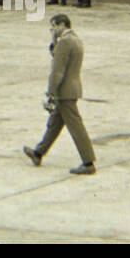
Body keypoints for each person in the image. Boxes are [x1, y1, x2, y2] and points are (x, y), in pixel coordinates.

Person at [23, 13, 96, 175]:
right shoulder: (75, 39)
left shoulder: (64, 42)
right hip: (72, 88)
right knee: (54, 124)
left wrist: (51, 93)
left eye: (54, 26)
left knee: (76, 127)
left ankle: (88, 162)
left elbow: (57, 71)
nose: (53, 29)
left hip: (64, 91)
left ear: (62, 25)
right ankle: (38, 153)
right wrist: (53, 41)